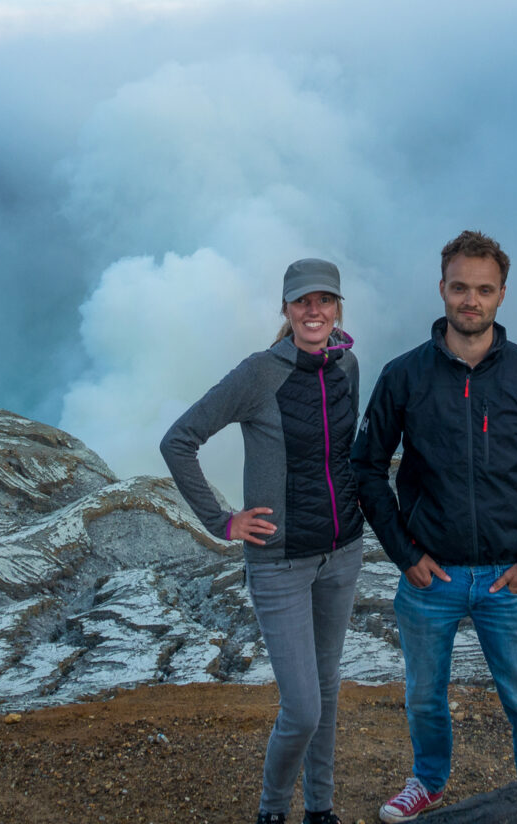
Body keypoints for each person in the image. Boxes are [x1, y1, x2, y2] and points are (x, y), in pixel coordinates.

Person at [160, 258, 414, 824]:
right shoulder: (259, 373)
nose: (314, 311)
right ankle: (272, 810)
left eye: (324, 300)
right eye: (302, 301)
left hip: (342, 553)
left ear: (338, 307)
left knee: (325, 695)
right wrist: (223, 520)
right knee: (301, 709)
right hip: (278, 564)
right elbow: (179, 440)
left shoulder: (347, 364)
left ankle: (319, 810)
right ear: (286, 308)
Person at [352, 230, 517, 823]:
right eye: (460, 288)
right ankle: (428, 782)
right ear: (442, 289)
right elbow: (365, 467)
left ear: (502, 294)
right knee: (425, 699)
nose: (470, 300)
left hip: (510, 581)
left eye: (484, 290)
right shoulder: (404, 376)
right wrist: (404, 554)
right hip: (430, 578)